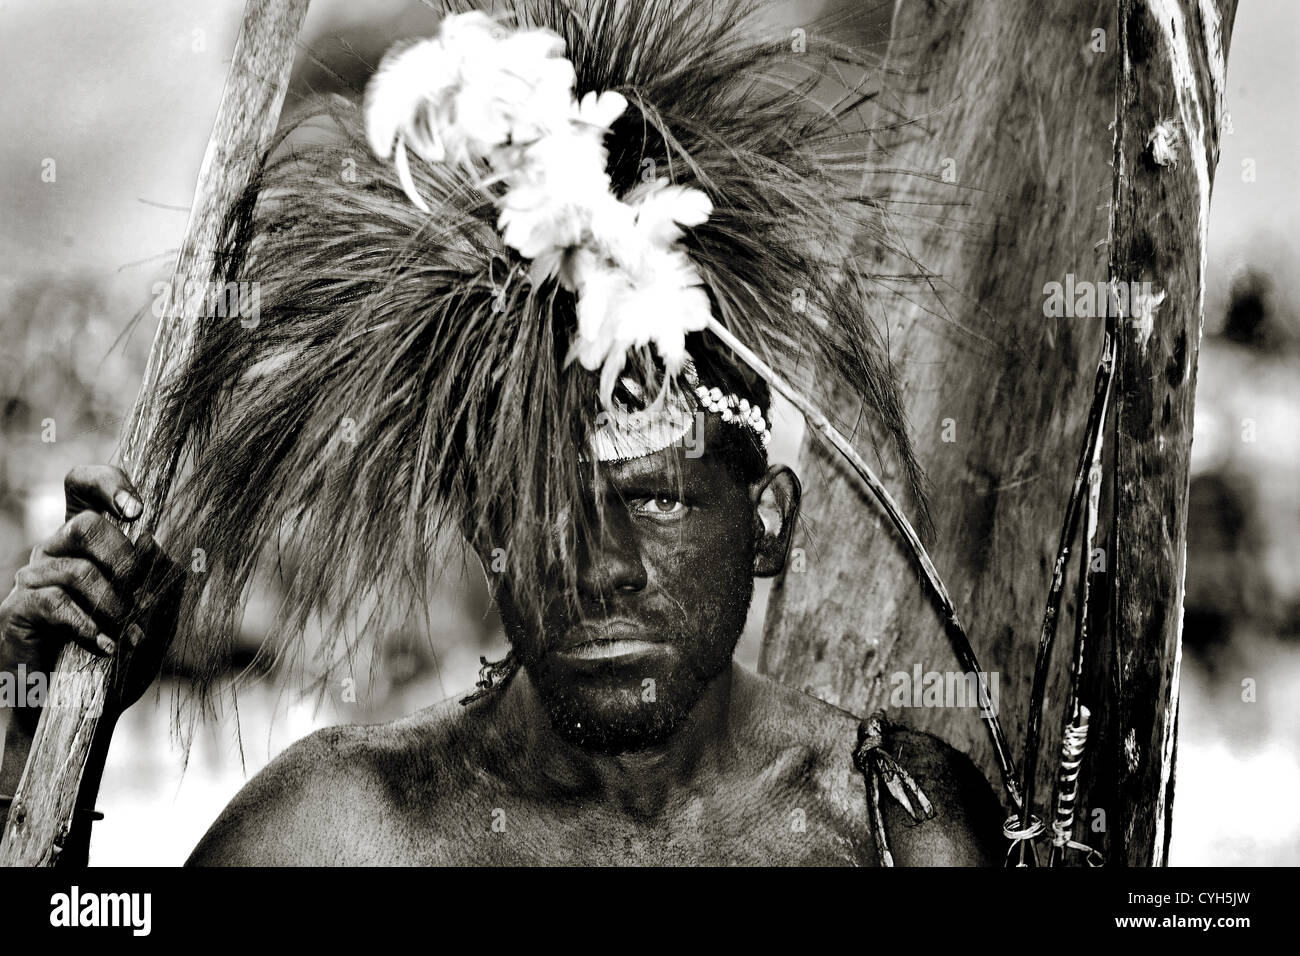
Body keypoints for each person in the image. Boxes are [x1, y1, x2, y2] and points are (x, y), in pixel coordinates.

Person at [0, 0, 1008, 865]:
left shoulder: (895, 823)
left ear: (770, 522)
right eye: (551, 506)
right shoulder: (346, 831)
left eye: (659, 497)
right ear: (489, 533)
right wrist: (32, 745)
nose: (603, 565)